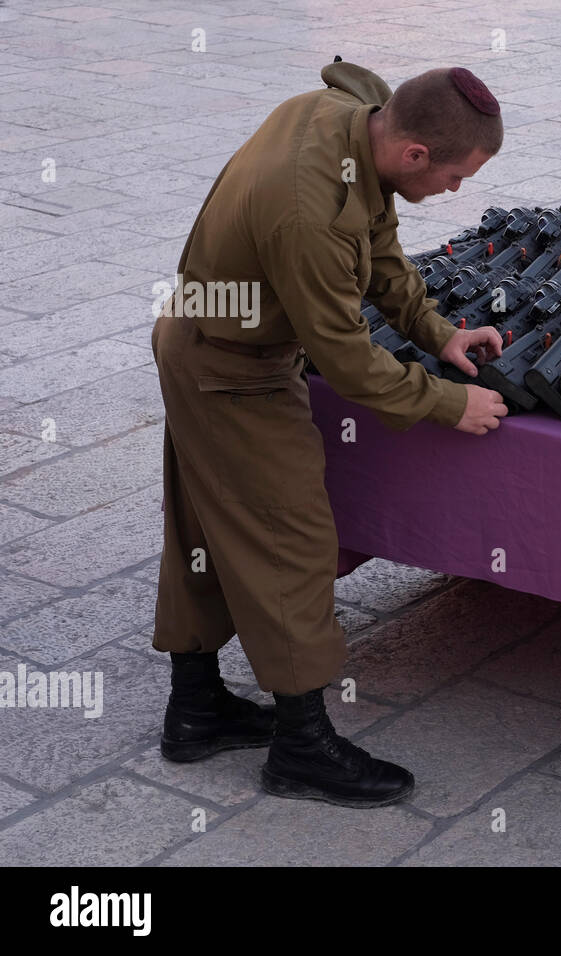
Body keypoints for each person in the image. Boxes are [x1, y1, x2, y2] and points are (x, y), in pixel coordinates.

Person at [149, 59, 508, 808]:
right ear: (414, 154)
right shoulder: (304, 209)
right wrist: (450, 405)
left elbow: (376, 243)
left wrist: (437, 332)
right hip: (230, 368)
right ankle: (302, 748)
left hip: (207, 340)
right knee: (292, 539)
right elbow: (348, 362)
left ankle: (196, 712)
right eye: (455, 178)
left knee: (205, 528)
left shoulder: (353, 116)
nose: (456, 192)